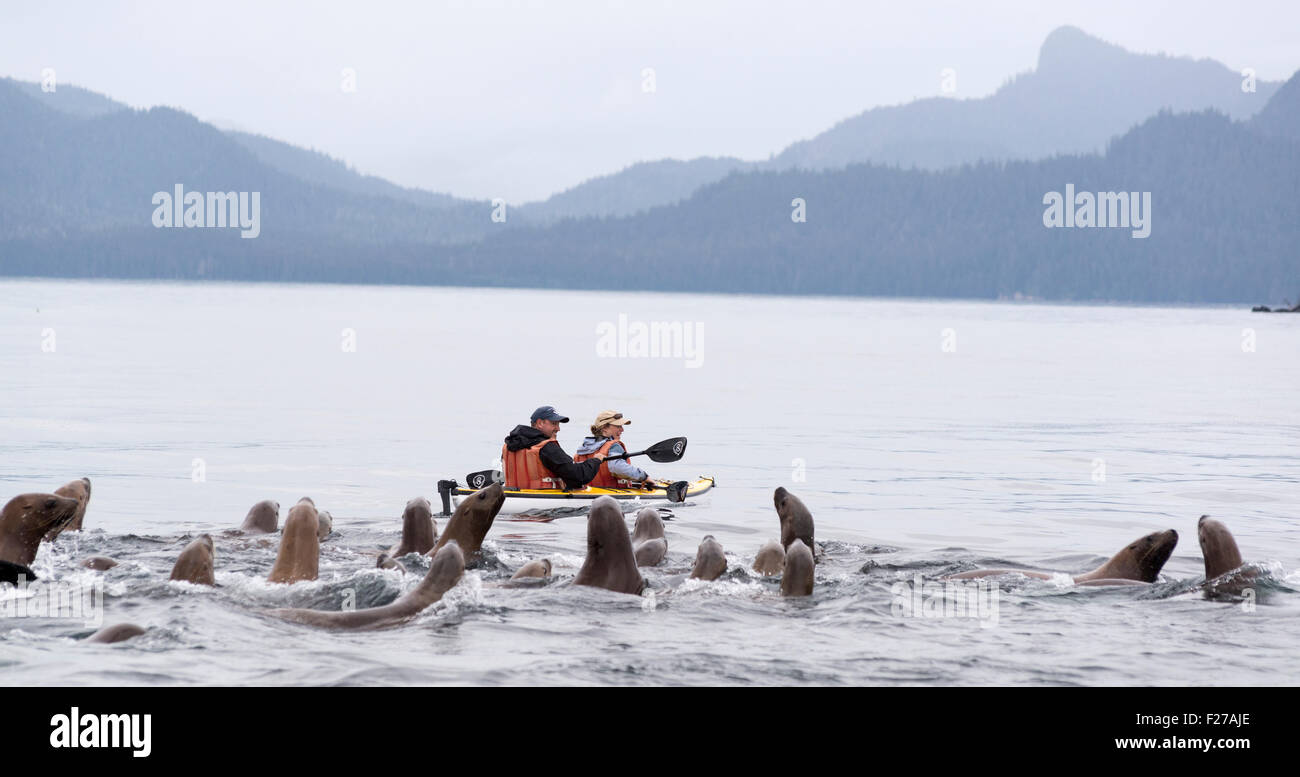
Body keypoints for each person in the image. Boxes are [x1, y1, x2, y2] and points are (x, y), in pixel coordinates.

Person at [501, 406, 605, 490]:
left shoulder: (509, 444)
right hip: (544, 503)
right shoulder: (547, 447)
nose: (558, 429)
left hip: (511, 498)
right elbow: (578, 477)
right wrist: (596, 461)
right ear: (540, 423)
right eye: (554, 424)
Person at [574, 410, 656, 489]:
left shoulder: (583, 449)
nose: (622, 430)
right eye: (618, 426)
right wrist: (644, 477)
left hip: (589, 492)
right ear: (604, 428)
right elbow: (617, 468)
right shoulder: (613, 446)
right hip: (612, 498)